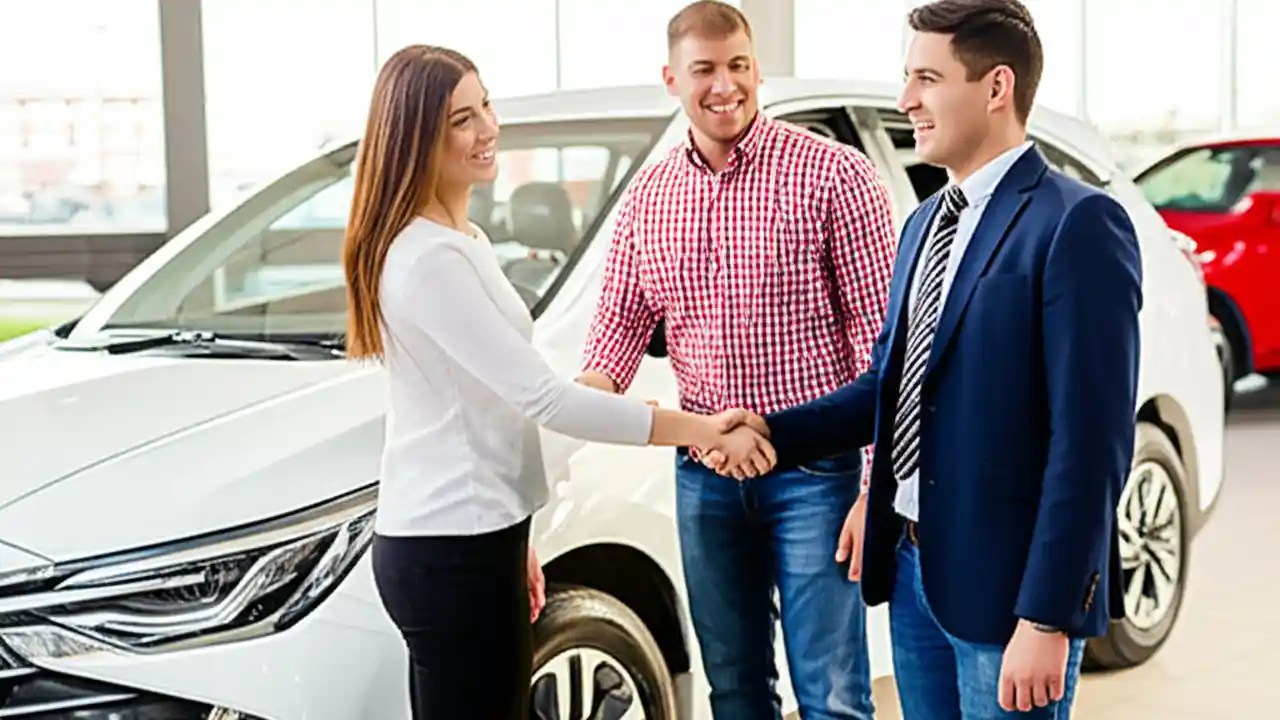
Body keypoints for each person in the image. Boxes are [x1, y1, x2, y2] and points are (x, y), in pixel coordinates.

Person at [711, 1, 1143, 717]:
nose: (907, 99)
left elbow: (1092, 445)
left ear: (996, 88)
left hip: (1010, 597)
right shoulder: (923, 224)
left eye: (927, 78)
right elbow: (891, 383)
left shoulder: (1076, 223)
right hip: (916, 572)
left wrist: (1047, 618)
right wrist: (769, 430)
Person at [341, 45, 775, 720]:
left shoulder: (463, 241)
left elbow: (486, 420)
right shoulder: (427, 260)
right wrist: (698, 428)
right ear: (417, 137)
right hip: (447, 552)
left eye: (485, 105)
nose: (487, 128)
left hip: (476, 537)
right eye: (461, 118)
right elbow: (542, 398)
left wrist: (519, 535)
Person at [576, 2, 898, 717]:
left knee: (834, 697)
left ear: (757, 68)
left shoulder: (832, 176)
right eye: (705, 70)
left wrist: (874, 488)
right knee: (735, 691)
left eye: (739, 65)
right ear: (671, 79)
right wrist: (560, 410)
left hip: (817, 478)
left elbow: (885, 349)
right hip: (706, 481)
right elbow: (612, 342)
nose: (726, 85)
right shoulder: (648, 200)